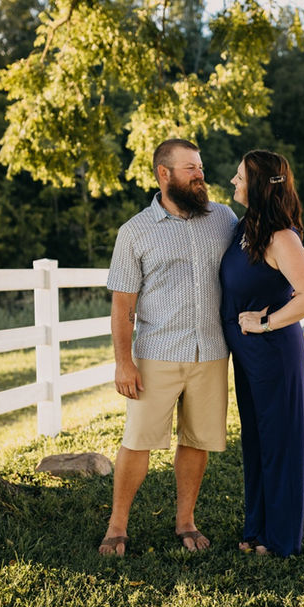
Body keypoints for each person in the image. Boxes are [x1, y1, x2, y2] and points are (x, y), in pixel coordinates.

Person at [99, 138, 238, 557]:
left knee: (196, 441)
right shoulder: (135, 232)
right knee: (138, 440)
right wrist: (124, 363)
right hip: (157, 353)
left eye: (200, 166)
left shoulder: (225, 219)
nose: (201, 175)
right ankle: (116, 526)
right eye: (191, 168)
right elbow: (123, 305)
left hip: (212, 352)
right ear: (164, 174)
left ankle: (186, 522)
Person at [219, 150, 304, 557]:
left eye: (241, 176)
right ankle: (256, 529)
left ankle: (280, 540)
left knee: (280, 443)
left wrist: (265, 323)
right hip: (248, 357)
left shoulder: (281, 236)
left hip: (274, 351)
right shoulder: (246, 227)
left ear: (259, 185)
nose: (233, 180)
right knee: (257, 442)